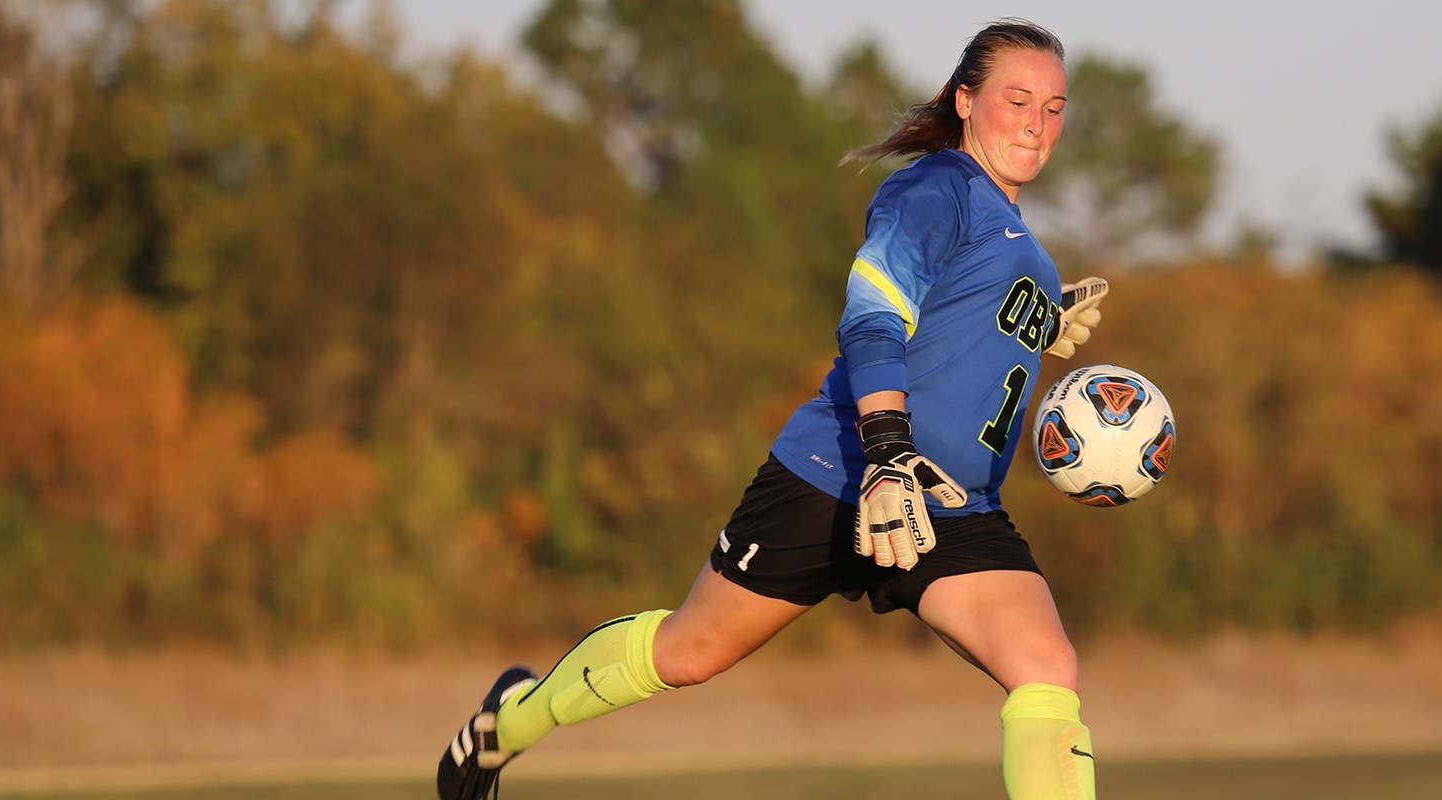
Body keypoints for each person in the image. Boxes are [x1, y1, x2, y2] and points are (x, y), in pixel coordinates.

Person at [437, 18, 1108, 800]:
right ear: (965, 100)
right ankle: (503, 727)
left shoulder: (1015, 232)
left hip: (953, 508)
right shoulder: (937, 188)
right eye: (1016, 99)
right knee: (686, 656)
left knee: (1047, 669)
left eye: (1053, 107)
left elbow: (952, 325)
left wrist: (1034, 317)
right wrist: (888, 454)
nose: (1035, 121)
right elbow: (872, 316)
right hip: (843, 475)